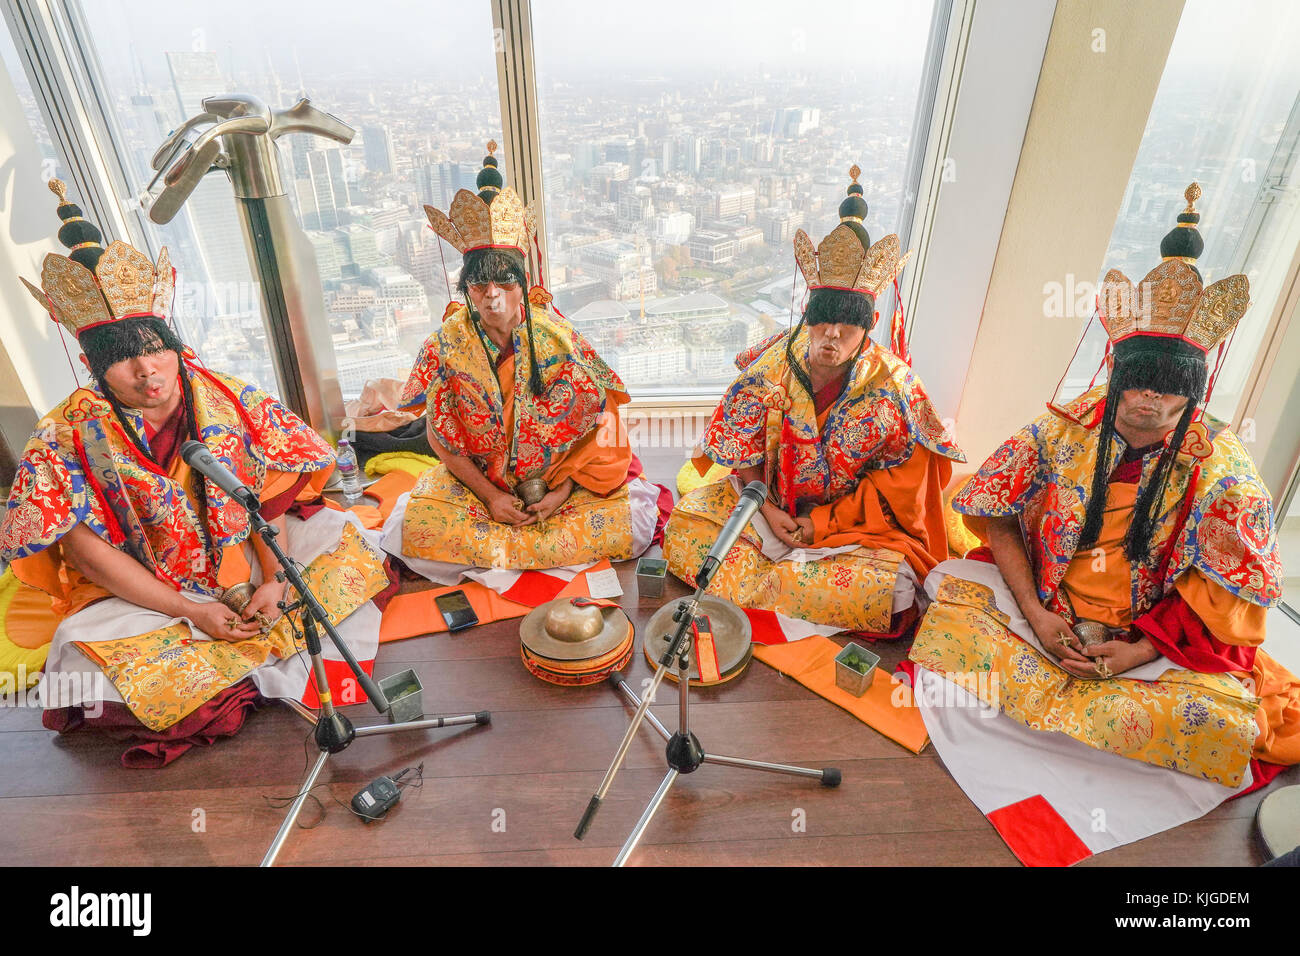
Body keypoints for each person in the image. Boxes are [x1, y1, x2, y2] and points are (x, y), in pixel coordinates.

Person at [915, 183, 1299, 786]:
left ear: (1195, 387)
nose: (1149, 397)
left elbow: (1233, 597)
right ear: (1118, 370)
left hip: (1149, 636)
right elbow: (993, 515)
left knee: (1227, 728)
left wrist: (1141, 649)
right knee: (941, 600)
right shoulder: (1062, 429)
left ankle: (1082, 705)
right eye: (1139, 379)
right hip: (1048, 611)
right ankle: (1086, 716)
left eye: (1168, 384)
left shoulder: (1226, 476)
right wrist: (1039, 614)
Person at [0, 180, 390, 748]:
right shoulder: (61, 437)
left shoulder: (228, 398)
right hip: (146, 589)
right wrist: (189, 609)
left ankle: (249, 637)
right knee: (89, 669)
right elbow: (84, 550)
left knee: (352, 552)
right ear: (91, 364)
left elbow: (273, 493)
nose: (147, 371)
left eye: (156, 349)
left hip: (247, 559)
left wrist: (276, 581)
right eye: (122, 360)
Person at [663, 169, 965, 634]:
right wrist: (765, 507)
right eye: (823, 319)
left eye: (848, 324)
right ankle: (790, 592)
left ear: (872, 322)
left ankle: (766, 590)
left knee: (896, 591)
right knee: (684, 530)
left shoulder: (896, 390)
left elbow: (901, 493)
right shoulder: (771, 365)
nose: (832, 334)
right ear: (809, 314)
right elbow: (740, 449)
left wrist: (818, 525)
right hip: (769, 507)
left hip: (846, 529)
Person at [382, 144, 667, 583]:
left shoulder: (557, 339)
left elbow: (600, 426)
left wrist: (560, 492)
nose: (492, 295)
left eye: (505, 280)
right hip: (482, 485)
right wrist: (491, 497)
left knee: (636, 526)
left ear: (523, 283)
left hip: (557, 482)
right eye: (479, 284)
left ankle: (518, 541)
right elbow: (442, 441)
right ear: (466, 288)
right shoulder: (444, 346)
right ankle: (519, 535)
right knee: (407, 530)